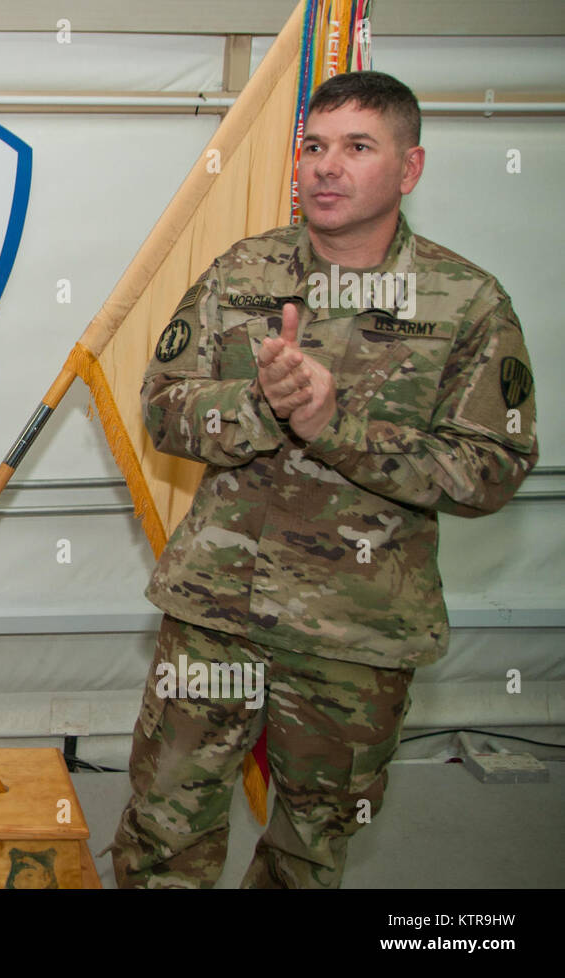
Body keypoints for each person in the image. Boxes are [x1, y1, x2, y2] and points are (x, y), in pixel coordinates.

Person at [109, 70, 537, 888]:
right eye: (313, 146)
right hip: (216, 613)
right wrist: (261, 406)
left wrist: (336, 428)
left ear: (409, 169)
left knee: (310, 846)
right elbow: (164, 408)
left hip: (357, 634)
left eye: (357, 147)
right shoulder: (243, 271)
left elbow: (491, 469)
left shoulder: (467, 303)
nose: (325, 167)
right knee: (165, 820)